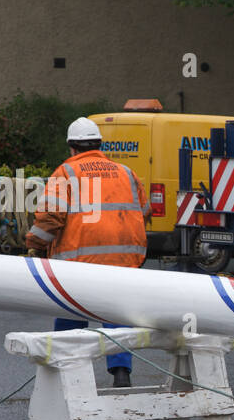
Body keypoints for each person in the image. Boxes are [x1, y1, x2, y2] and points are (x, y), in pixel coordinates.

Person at [25, 117, 152, 388]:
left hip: (78, 261)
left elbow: (50, 218)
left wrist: (34, 243)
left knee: (70, 310)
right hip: (123, 259)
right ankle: (121, 373)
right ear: (99, 145)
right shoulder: (126, 172)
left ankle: (63, 370)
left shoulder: (66, 173)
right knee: (116, 314)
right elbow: (145, 212)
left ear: (71, 146)